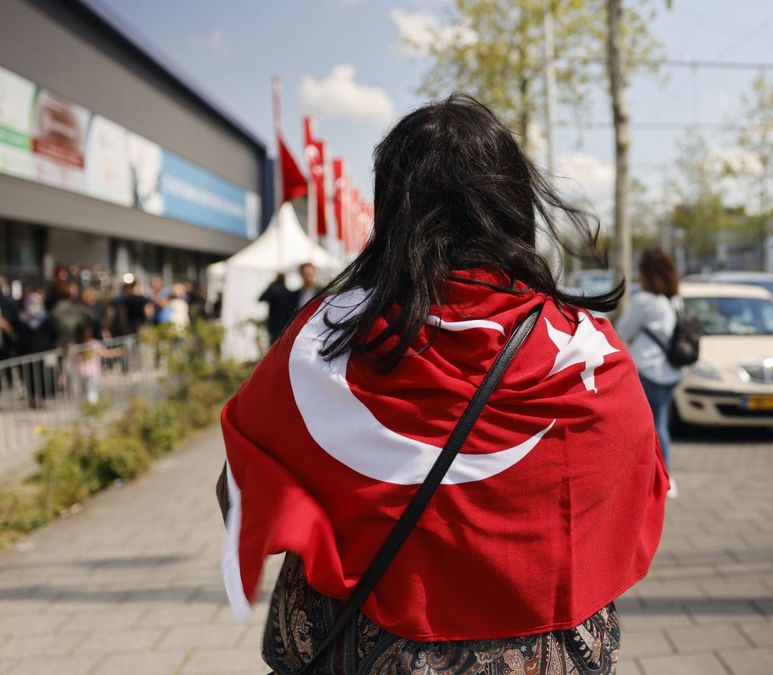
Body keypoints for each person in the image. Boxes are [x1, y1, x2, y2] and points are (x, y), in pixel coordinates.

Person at [216, 94, 667, 675]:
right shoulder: (589, 352)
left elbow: (240, 497)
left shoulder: (321, 342)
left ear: (392, 207)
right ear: (514, 201)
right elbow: (637, 492)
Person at [616, 248, 684, 499]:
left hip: (648, 370)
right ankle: (664, 476)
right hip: (672, 372)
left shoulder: (644, 301)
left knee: (653, 426)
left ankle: (662, 479)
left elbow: (623, 327)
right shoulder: (673, 299)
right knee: (660, 423)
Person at [258, 273, 292, 345]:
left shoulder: (273, 291)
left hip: (274, 324)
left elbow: (261, 299)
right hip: (285, 324)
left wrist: (269, 287)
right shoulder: (288, 292)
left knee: (273, 346)